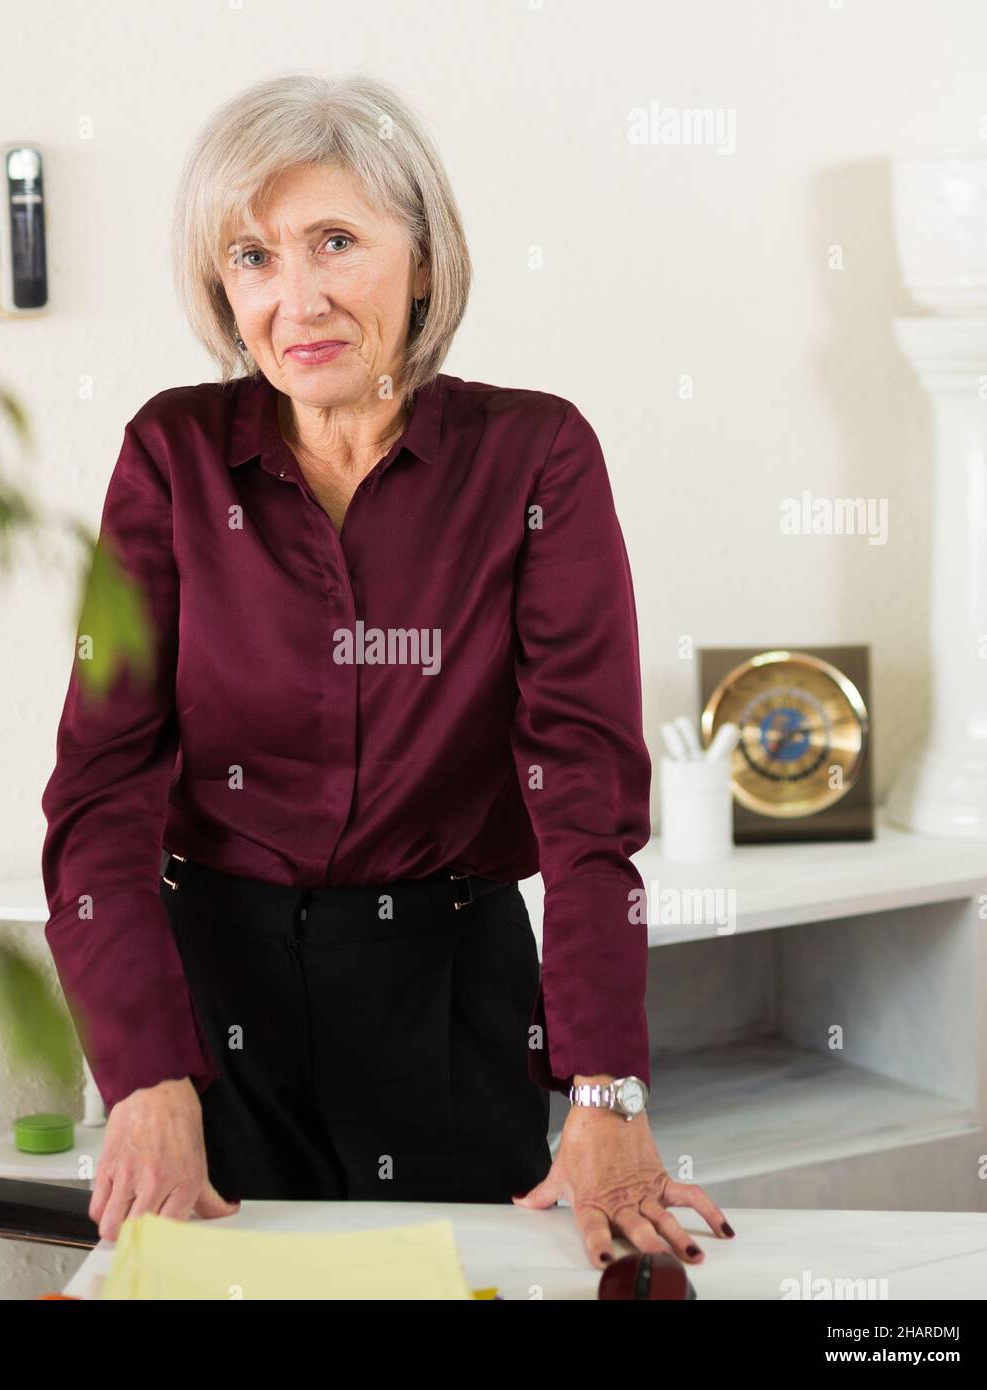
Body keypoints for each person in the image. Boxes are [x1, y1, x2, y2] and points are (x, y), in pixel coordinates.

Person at [40, 72, 733, 1269]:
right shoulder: (170, 456)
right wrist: (148, 1073)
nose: (292, 298)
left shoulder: (537, 455)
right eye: (252, 258)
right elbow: (101, 791)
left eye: (336, 242)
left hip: (452, 997)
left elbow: (585, 796)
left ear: (424, 257)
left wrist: (605, 1085)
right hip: (223, 1007)